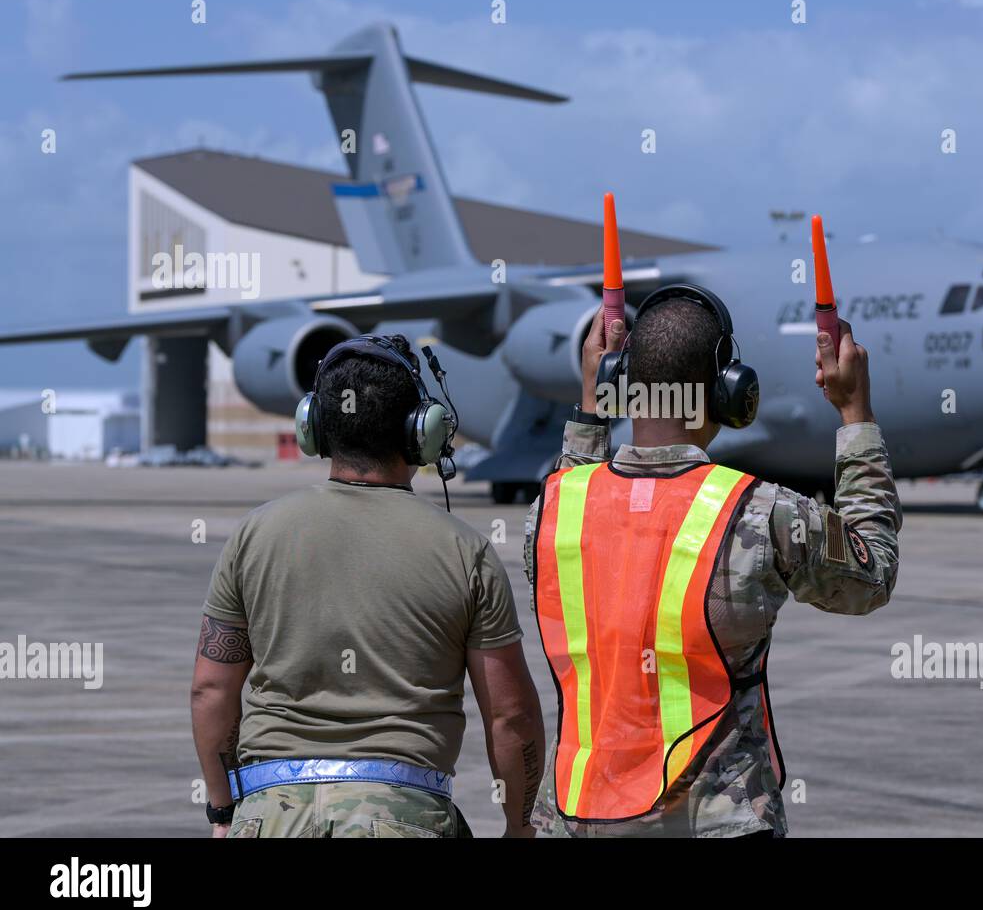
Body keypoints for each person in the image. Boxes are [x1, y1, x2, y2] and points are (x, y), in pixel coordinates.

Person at [523, 284, 902, 838]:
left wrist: (593, 400)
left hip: (579, 816)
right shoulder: (759, 511)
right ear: (728, 389)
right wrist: (855, 412)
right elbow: (872, 575)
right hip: (713, 824)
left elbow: (573, 485)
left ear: (620, 383)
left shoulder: (554, 511)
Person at [190, 334, 544, 838]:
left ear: (314, 428)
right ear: (420, 432)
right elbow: (511, 716)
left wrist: (224, 812)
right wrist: (519, 826)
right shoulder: (466, 551)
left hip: (270, 812)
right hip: (402, 813)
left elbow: (210, 690)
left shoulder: (253, 534)